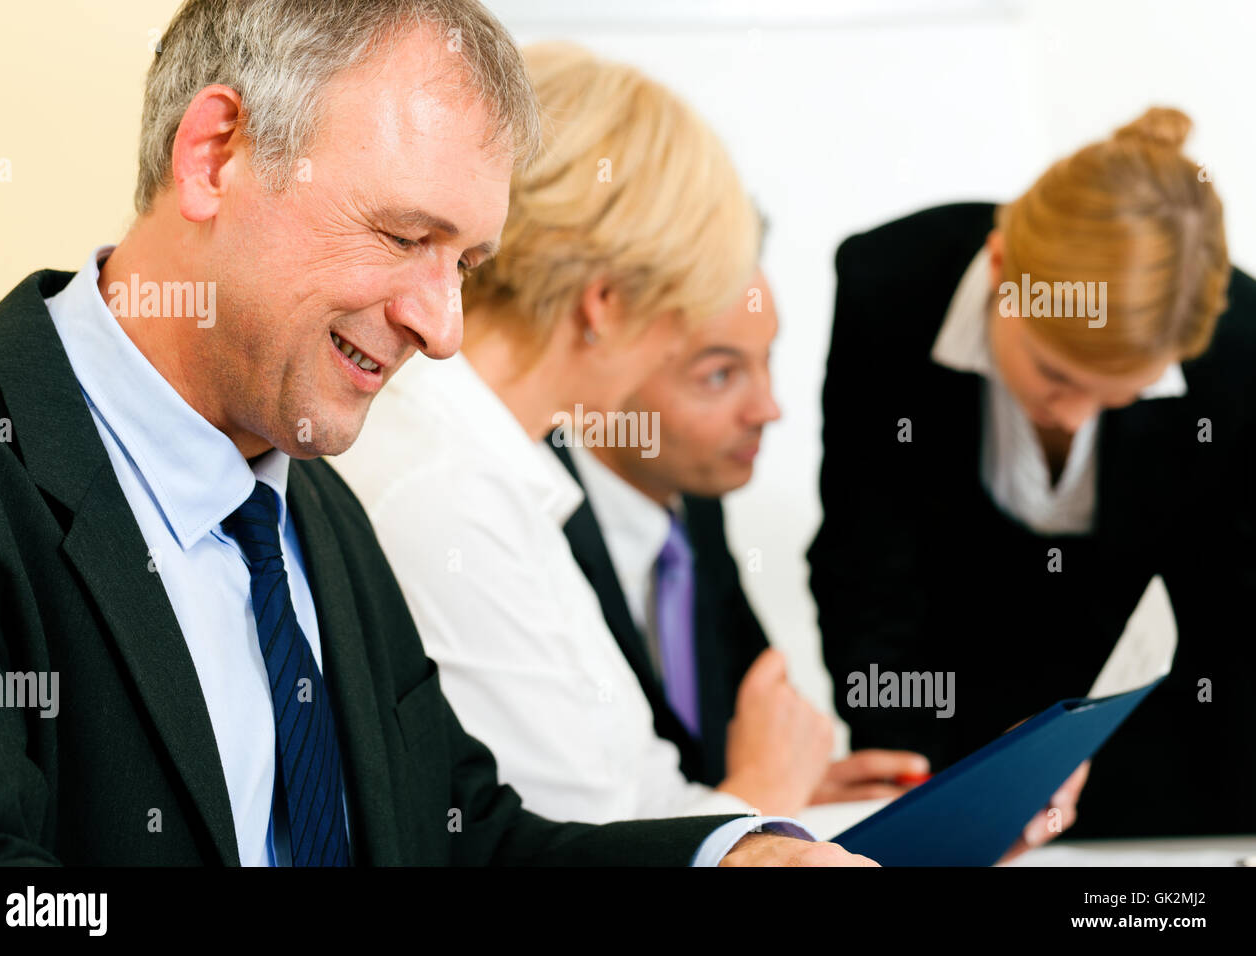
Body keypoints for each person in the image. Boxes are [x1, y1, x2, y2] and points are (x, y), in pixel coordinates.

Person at [0, 0, 870, 867]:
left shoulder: (316, 509)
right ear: (213, 156)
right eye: (402, 237)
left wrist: (727, 855)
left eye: (466, 263)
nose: (445, 330)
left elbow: (464, 840)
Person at [333, 43, 847, 824]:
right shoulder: (444, 491)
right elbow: (583, 847)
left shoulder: (509, 472)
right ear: (605, 304)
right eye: (684, 314)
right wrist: (768, 798)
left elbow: (643, 793)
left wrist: (786, 814)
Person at [808, 107, 1256, 838]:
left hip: (1177, 747)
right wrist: (921, 781)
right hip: (947, 709)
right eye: (1054, 373)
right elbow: (866, 563)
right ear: (999, 268)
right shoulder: (887, 285)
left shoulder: (1239, 346)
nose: (1075, 417)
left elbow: (1234, 607)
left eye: (1118, 394)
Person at [551, 266, 931, 804]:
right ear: (602, 358)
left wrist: (794, 785)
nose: (768, 409)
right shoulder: (526, 517)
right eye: (719, 375)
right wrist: (754, 802)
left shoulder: (692, 494)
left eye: (766, 360)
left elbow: (725, 740)